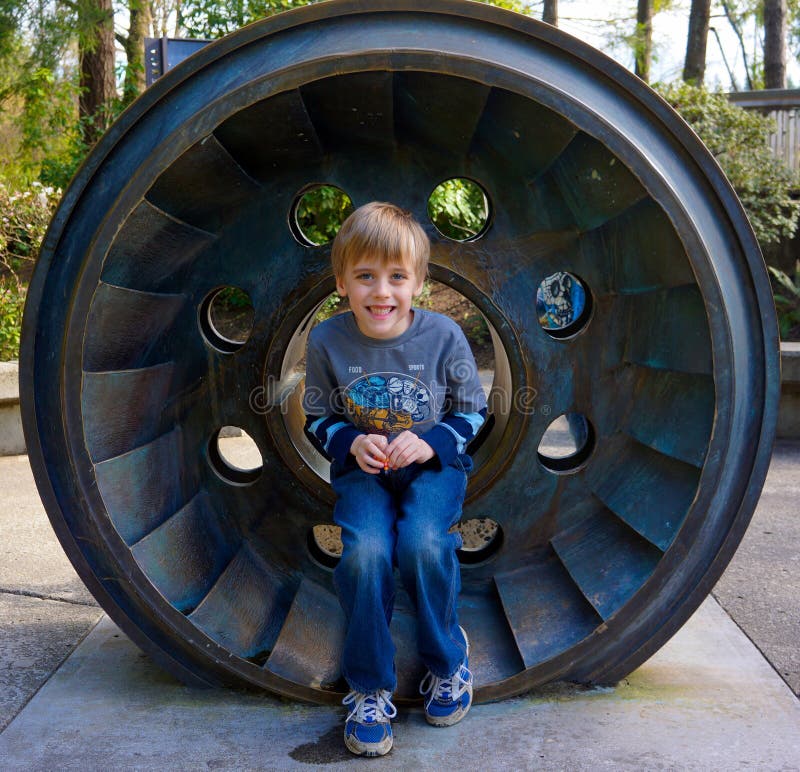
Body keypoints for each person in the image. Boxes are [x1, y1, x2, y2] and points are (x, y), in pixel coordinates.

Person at [302, 201, 488, 757]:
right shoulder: (327, 341)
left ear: (419, 282)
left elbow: (475, 412)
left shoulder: (444, 338)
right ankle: (367, 687)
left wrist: (431, 441)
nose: (381, 292)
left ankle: (448, 662)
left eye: (396, 277)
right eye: (365, 276)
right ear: (342, 282)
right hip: (365, 472)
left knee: (425, 544)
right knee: (364, 553)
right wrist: (349, 441)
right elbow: (316, 416)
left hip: (432, 468)